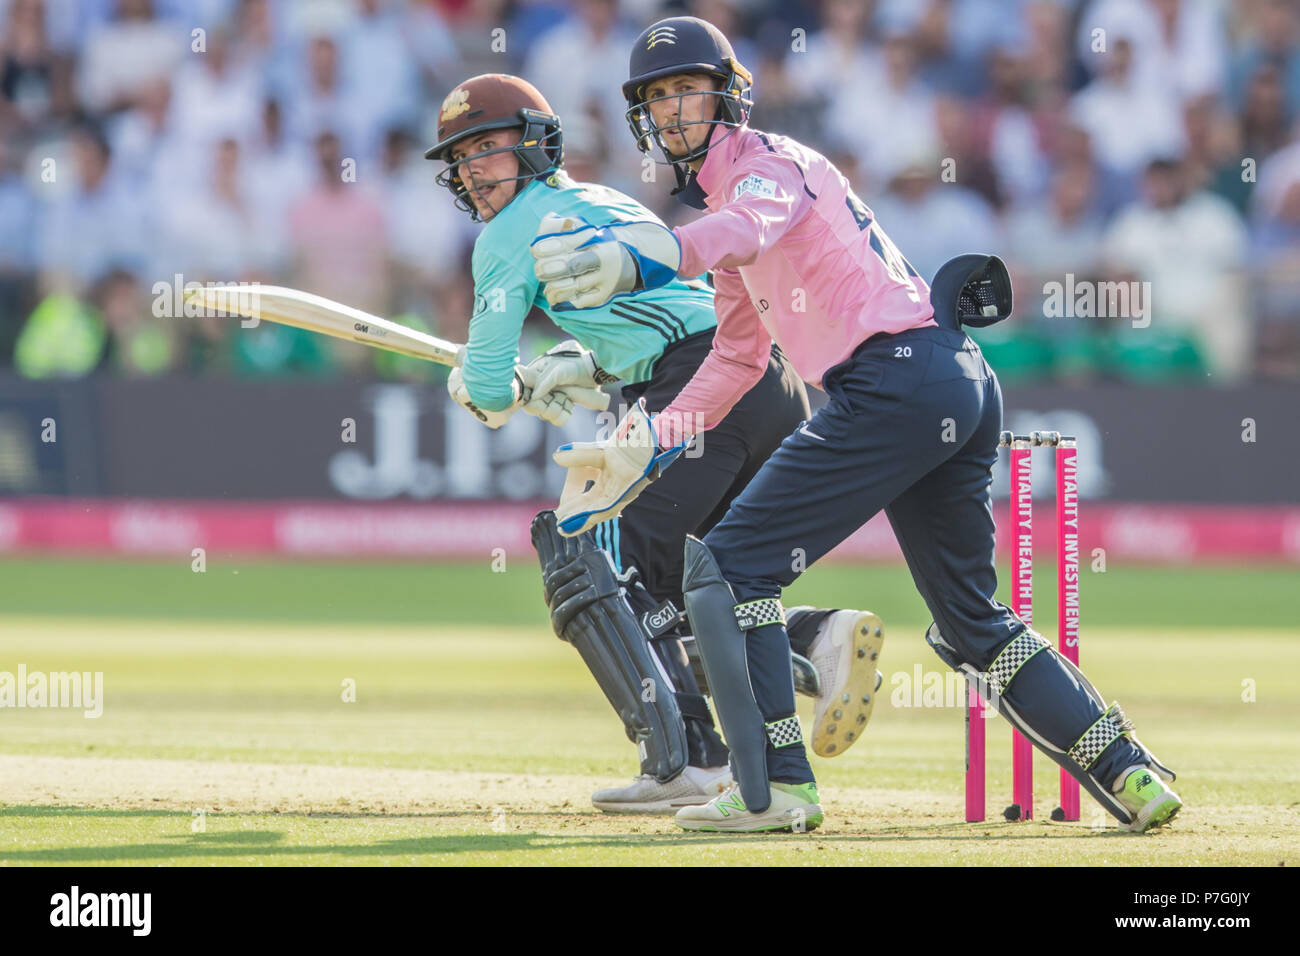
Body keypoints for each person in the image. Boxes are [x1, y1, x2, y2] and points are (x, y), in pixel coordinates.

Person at [530, 17, 1182, 834]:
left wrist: (645, 256)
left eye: (686, 89)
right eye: (656, 98)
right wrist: (643, 442)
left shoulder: (768, 165)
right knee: (971, 620)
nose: (672, 110)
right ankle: (1127, 769)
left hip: (895, 381)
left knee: (728, 570)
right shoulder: (729, 203)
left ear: (728, 95)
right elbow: (735, 359)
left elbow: (745, 228)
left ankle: (774, 789)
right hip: (950, 382)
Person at [426, 73, 885, 814]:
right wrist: (578, 366)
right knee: (703, 577)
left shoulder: (504, 236)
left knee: (602, 563)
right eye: (461, 155)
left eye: (488, 146)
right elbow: (660, 313)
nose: (473, 168)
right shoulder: (596, 199)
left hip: (699, 384)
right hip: (763, 379)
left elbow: (484, 386)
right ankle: (817, 638)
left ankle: (689, 759)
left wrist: (487, 387)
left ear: (535, 144)